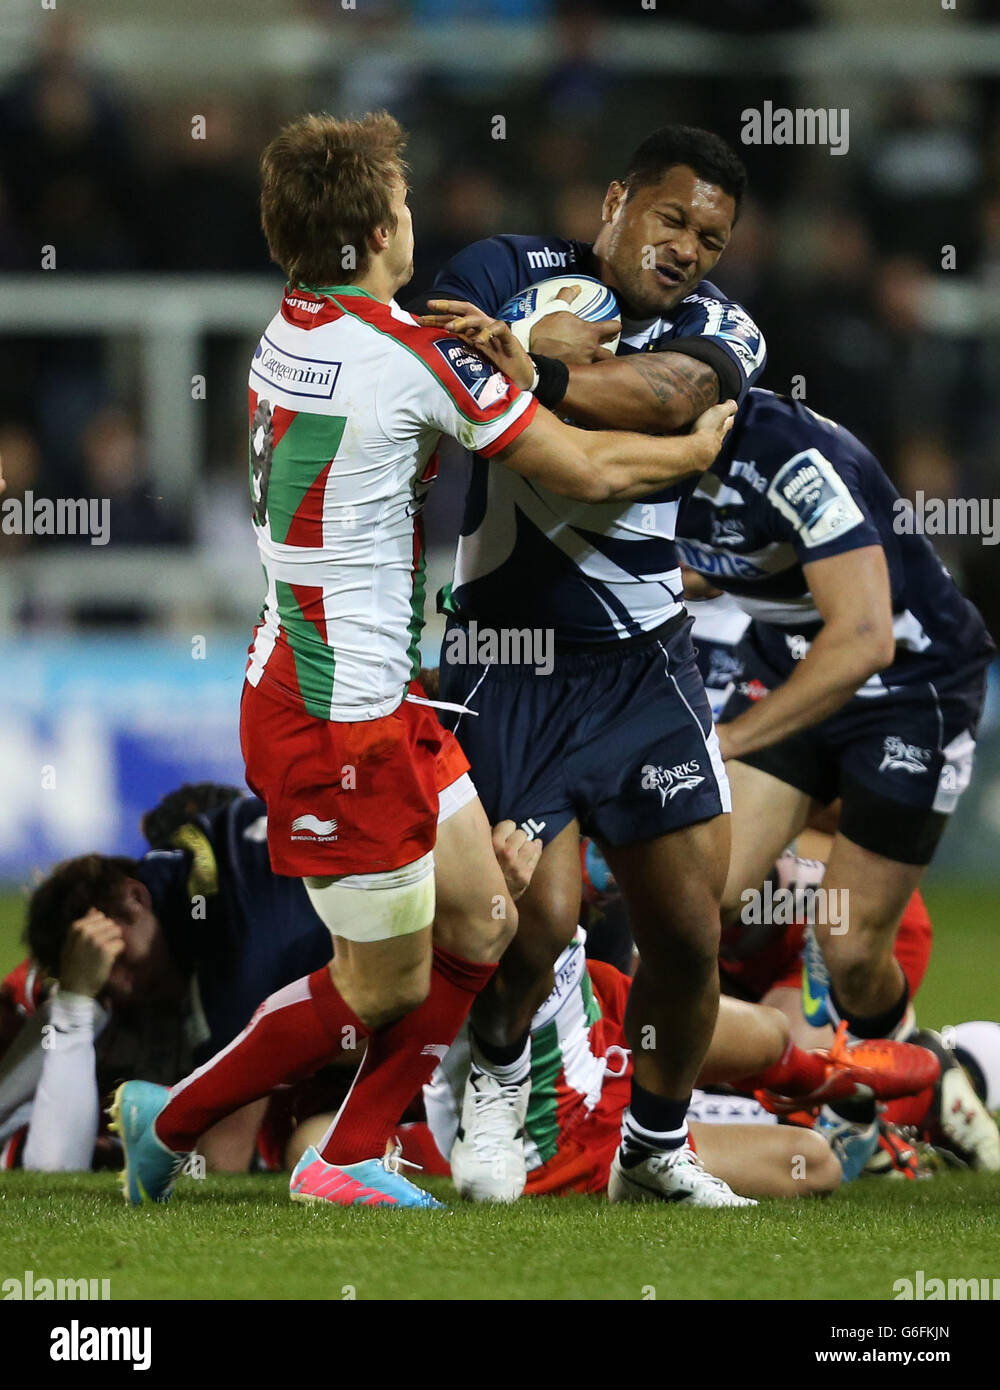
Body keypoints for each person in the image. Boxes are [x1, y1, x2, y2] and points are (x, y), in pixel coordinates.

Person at [111, 111, 737, 1211]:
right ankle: (175, 1121)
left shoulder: (288, 328)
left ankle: (337, 1150)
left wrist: (528, 361)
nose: (413, 221)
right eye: (398, 205)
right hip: (331, 716)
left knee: (489, 918)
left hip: (370, 694)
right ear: (369, 232)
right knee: (380, 981)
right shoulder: (410, 358)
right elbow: (585, 468)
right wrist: (690, 449)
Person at [416, 124, 765, 1205]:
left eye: (710, 237)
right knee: (536, 918)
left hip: (641, 664)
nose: (689, 250)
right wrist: (537, 370)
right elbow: (466, 393)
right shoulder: (494, 271)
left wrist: (546, 373)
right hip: (505, 653)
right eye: (672, 219)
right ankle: (495, 1087)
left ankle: (655, 1148)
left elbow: (669, 397)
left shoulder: (724, 328)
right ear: (615, 199)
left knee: (687, 931)